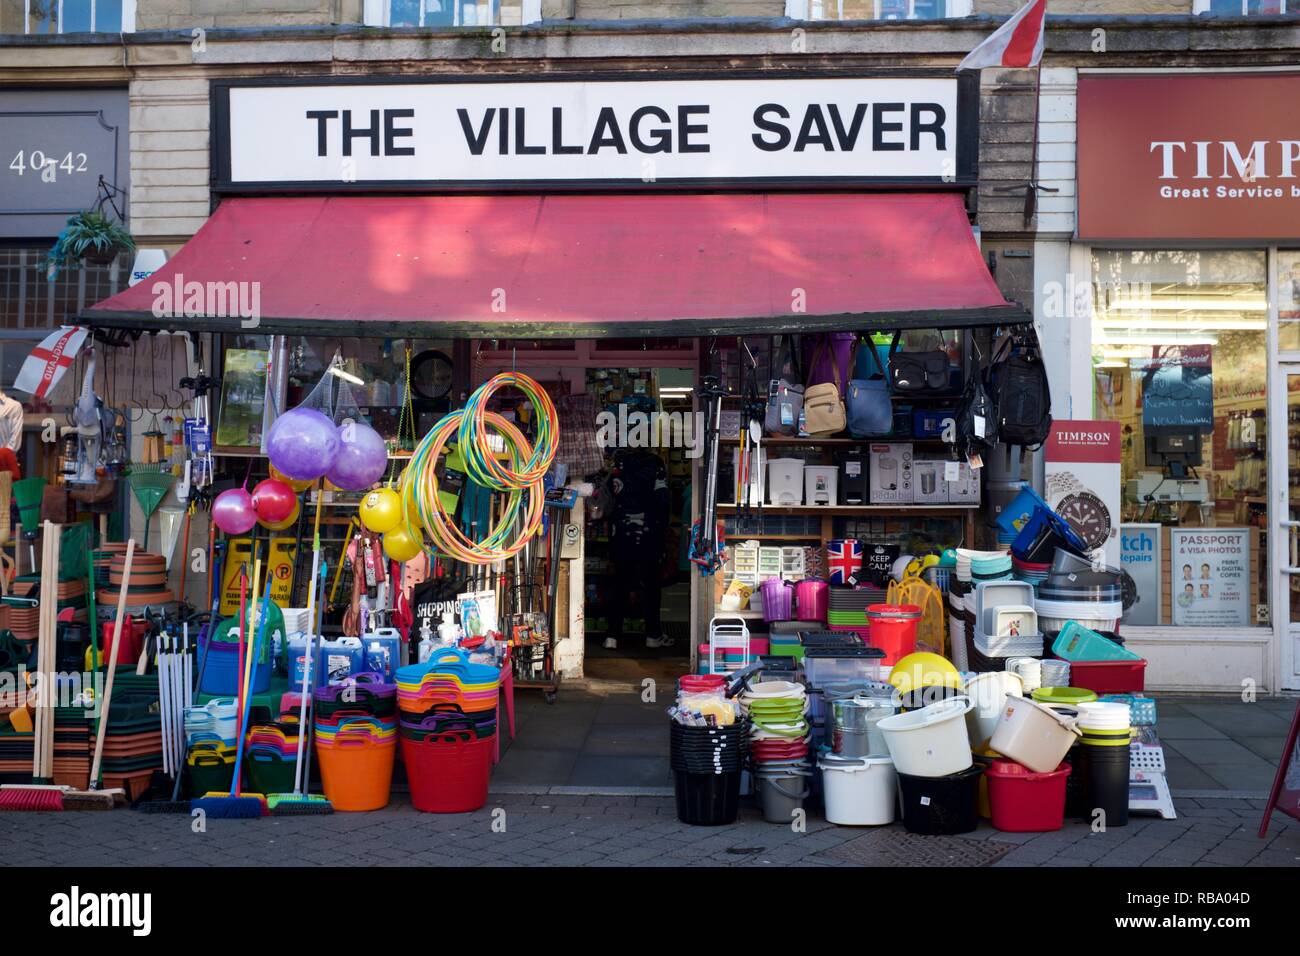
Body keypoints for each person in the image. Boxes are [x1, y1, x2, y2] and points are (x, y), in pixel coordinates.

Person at [604, 447, 671, 651]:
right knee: (651, 585)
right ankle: (653, 634)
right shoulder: (656, 463)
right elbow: (662, 499)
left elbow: (609, 494)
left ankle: (612, 636)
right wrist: (663, 528)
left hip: (622, 531)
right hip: (648, 532)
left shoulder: (619, 463)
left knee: (620, 584)